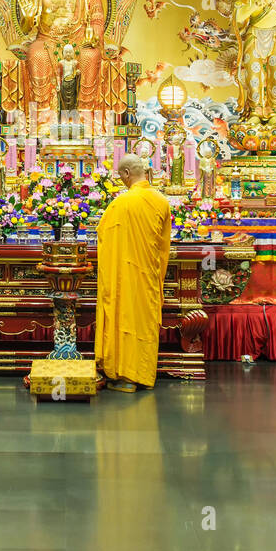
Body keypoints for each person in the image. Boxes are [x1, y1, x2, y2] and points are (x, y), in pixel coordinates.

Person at [95, 155, 172, 392]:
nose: (121, 180)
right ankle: (144, 374)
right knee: (144, 320)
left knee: (125, 317)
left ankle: (126, 376)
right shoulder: (161, 201)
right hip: (148, 274)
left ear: (127, 173)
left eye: (120, 176)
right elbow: (163, 246)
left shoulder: (121, 203)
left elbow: (104, 236)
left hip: (125, 276)